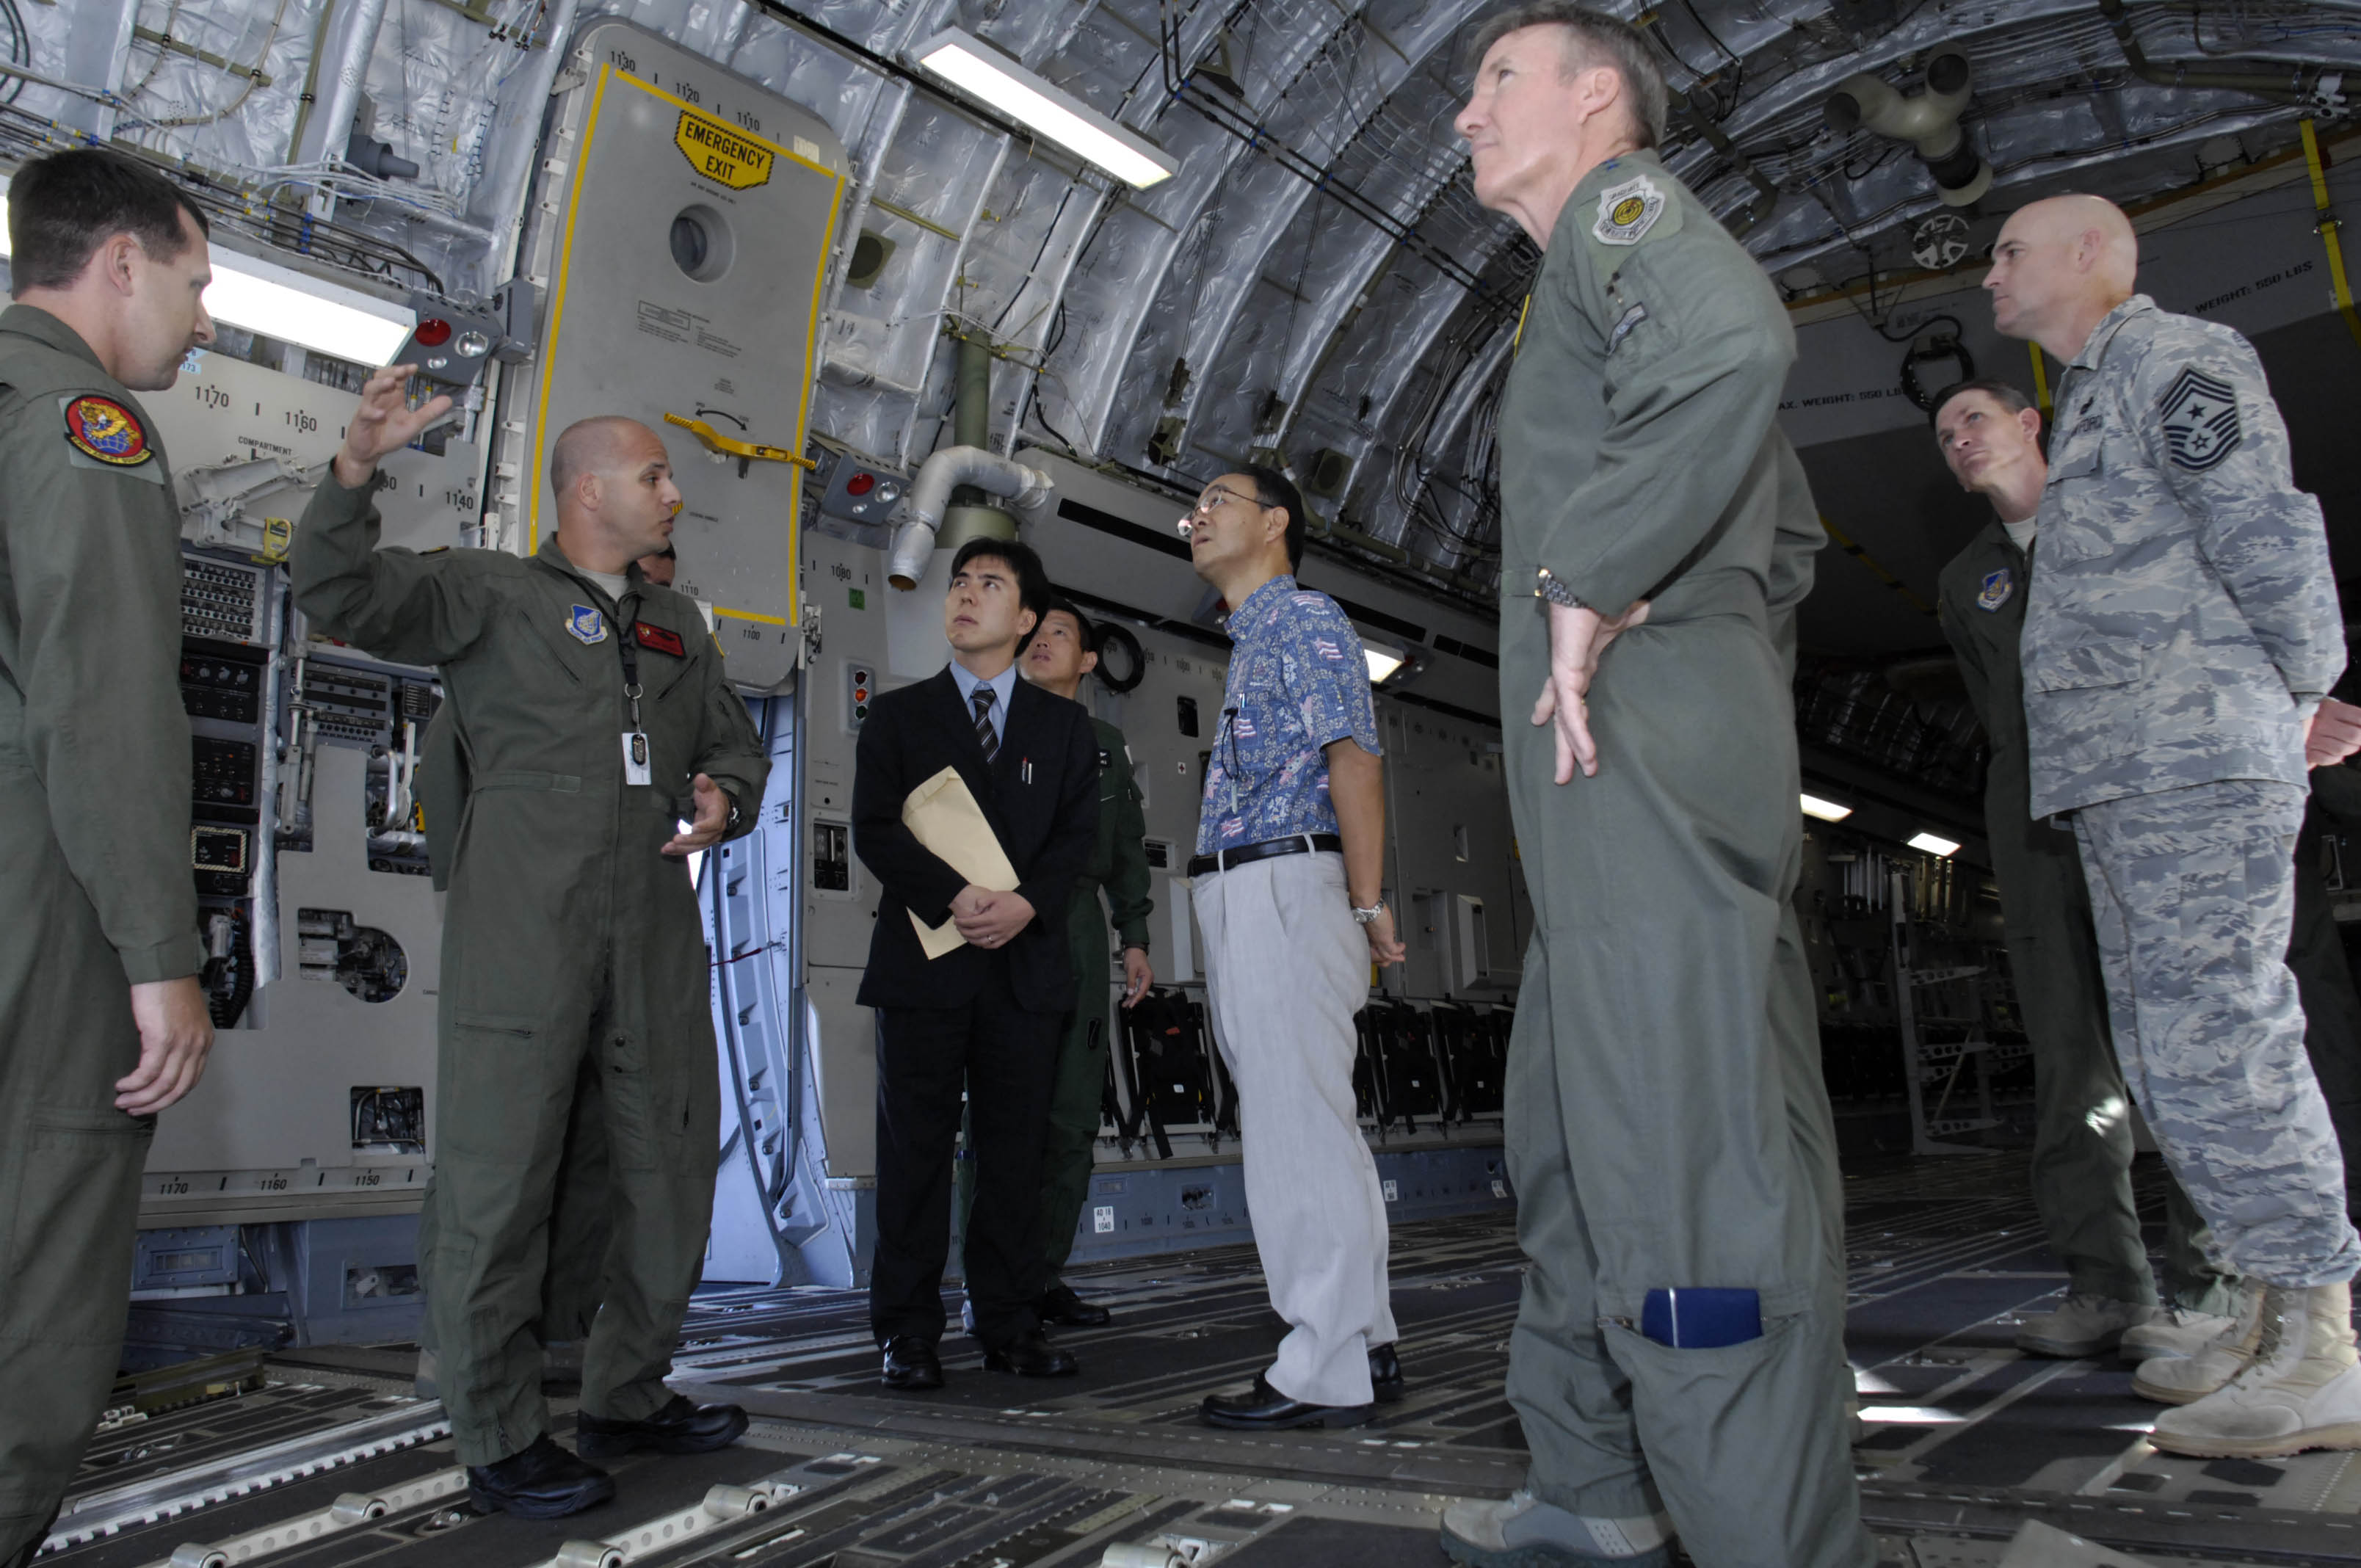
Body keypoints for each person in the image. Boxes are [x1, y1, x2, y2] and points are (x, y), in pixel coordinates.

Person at [1445, 9, 1871, 1565]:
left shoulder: (1630, 220)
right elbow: (1796, 534)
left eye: (1497, 80)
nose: (1464, 117)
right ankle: (1596, 1486)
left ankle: (1767, 1541)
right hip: (1615, 778)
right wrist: (1701, 622)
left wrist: (1604, 579)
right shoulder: (1573, 297)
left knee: (1684, 1171)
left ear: (1596, 94)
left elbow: (1740, 348)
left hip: (1625, 754)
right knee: (1573, 1137)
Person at [293, 402, 769, 1516]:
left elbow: (734, 747)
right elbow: (339, 590)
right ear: (589, 491)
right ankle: (500, 1431)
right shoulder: (486, 595)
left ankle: (628, 1393)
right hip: (526, 919)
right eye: (654, 476)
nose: (673, 494)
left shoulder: (677, 626)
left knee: (666, 1165)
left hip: (649, 918)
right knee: (497, 1174)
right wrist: (355, 467)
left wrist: (723, 799)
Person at [1984, 192, 2361, 1456]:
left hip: (2195, 756)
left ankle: (2321, 1338)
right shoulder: (2091, 395)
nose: (1991, 276)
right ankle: (2261, 1306)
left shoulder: (2175, 359)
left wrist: (2299, 690)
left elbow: (2262, 527)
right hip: (2134, 768)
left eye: (2009, 253)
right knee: (2169, 1050)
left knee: (2227, 1033)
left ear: (2091, 253)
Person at [0, 147, 219, 1568]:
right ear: (122, 262)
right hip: (45, 914)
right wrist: (162, 955)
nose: (202, 321)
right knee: (41, 1302)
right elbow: (105, 706)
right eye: (196, 285)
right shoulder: (85, 426)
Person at [1931, 379, 2242, 1360]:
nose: (1960, 442)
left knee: (2179, 1053)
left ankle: (2210, 1294)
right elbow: (1996, 710)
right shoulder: (1966, 579)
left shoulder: (2132, 515)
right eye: (1944, 437)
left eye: (1974, 419)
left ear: (2031, 423)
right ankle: (2108, 1289)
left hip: (2146, 805)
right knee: (2071, 1063)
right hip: (2037, 831)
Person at [1183, 465, 1410, 1432]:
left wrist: (1367, 906)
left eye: (1217, 501)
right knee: (1318, 1123)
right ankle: (1365, 1339)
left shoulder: (1306, 620)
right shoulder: (1254, 640)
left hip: (1283, 887)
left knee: (1294, 1131)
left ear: (1276, 523)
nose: (1195, 516)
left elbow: (1353, 756)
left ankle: (1318, 1363)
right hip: (1252, 888)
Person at [852, 537, 1100, 1391]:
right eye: (958, 583)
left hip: (1024, 967)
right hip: (926, 960)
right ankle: (907, 1334)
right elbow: (874, 827)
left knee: (1012, 1157)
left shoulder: (1066, 728)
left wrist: (1028, 903)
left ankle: (1007, 1323)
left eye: (989, 585)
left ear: (1026, 619)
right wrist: (954, 894)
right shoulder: (899, 715)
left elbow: (1078, 841)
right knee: (914, 1154)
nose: (964, 596)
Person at [1002, 597, 1153, 1326]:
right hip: (1006, 926)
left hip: (1081, 932)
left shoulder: (1105, 745)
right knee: (1004, 1116)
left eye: (1060, 634)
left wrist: (1136, 937)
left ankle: (1041, 1274)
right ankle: (991, 1281)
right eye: (1034, 632)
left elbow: (1126, 847)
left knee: (1070, 1113)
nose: (1042, 642)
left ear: (1088, 662)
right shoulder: (992, 727)